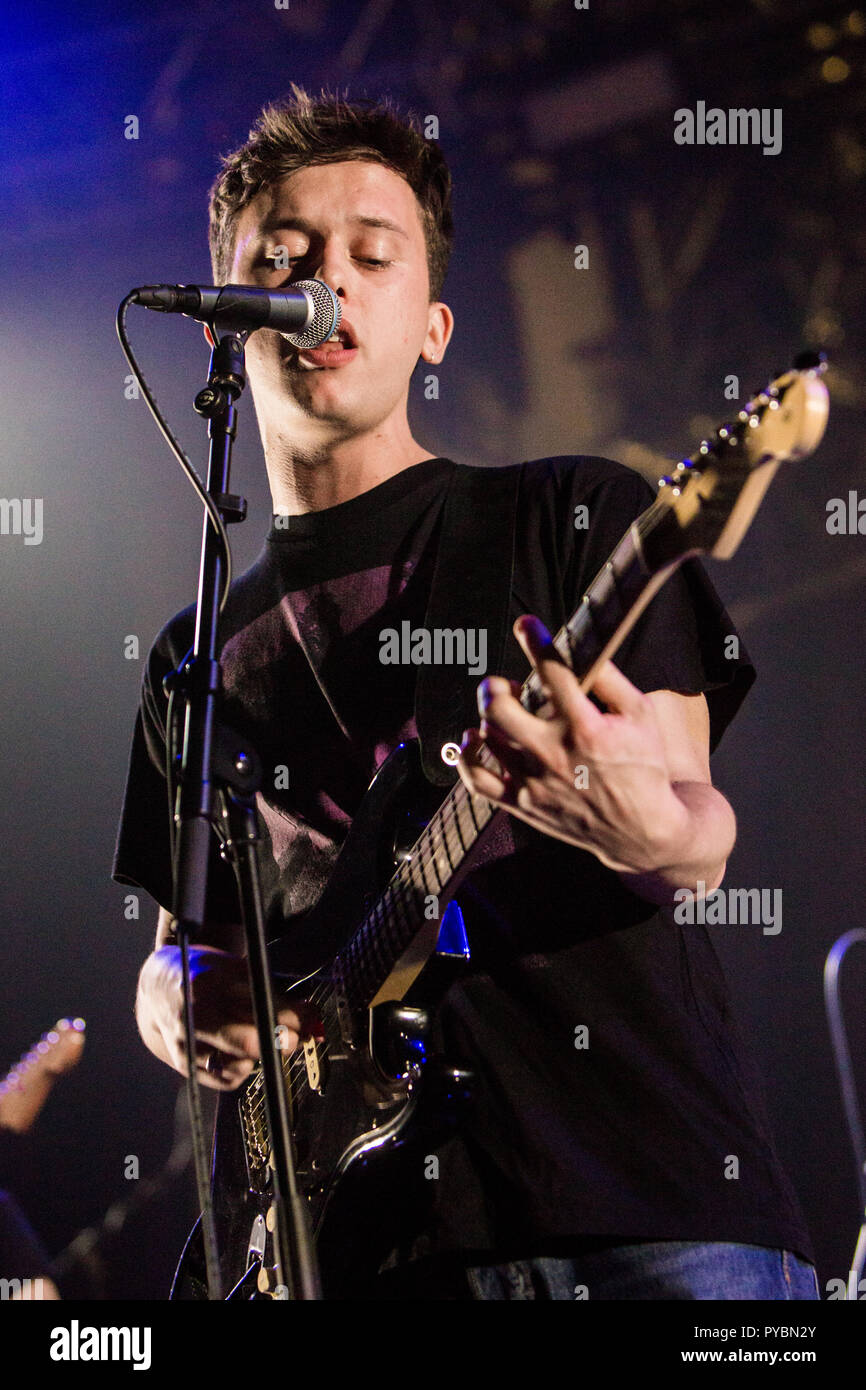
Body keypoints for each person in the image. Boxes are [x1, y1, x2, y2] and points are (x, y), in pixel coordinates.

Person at [113, 85, 817, 1300]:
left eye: (368, 257)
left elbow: (699, 836)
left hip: (637, 1210)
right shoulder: (196, 654)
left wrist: (641, 825)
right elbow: (185, 955)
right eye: (282, 260)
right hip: (363, 1251)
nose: (323, 281)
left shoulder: (569, 513)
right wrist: (177, 1002)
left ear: (432, 327)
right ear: (228, 321)